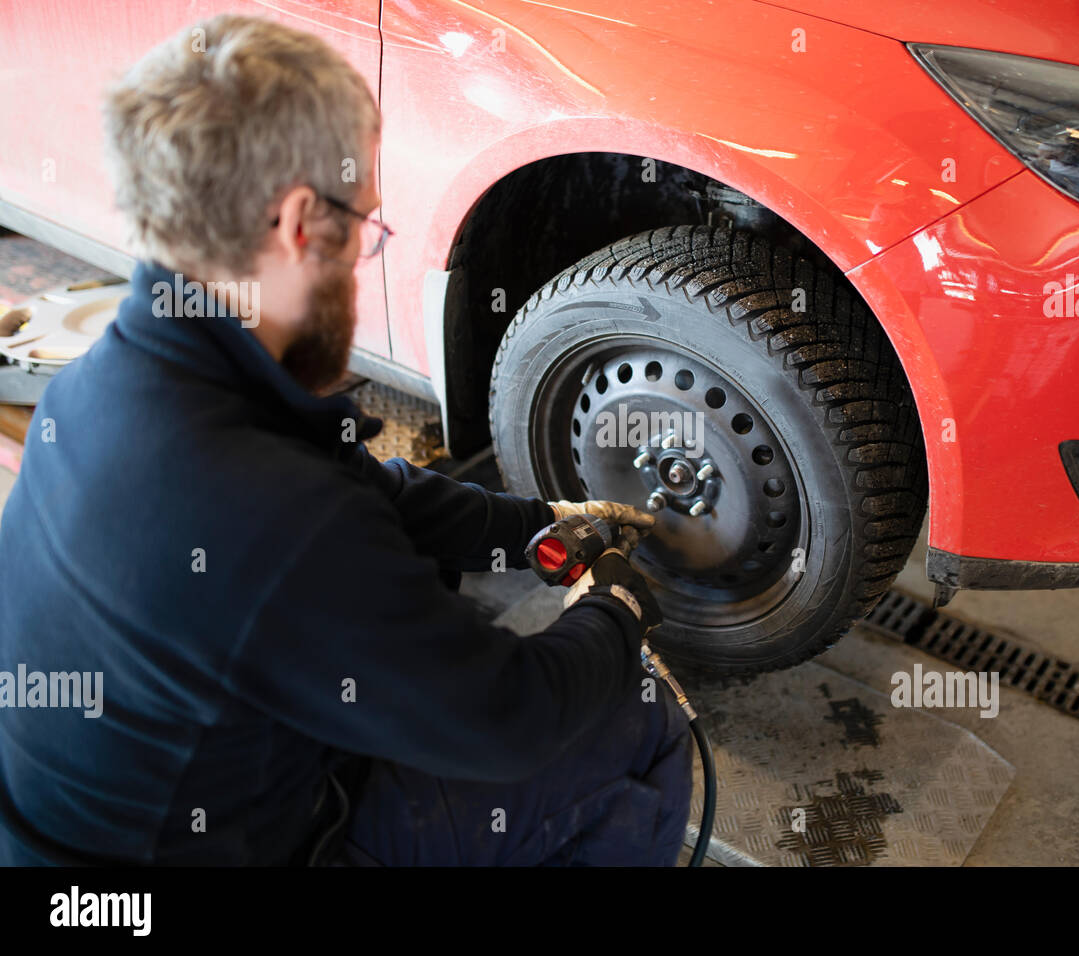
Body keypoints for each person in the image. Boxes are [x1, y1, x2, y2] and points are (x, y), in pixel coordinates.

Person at [0, 14, 692, 866]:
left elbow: (368, 490)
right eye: (364, 229)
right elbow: (508, 721)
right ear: (299, 222)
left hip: (91, 836)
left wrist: (538, 525)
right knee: (642, 722)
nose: (365, 258)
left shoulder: (99, 386)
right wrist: (615, 619)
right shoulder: (271, 517)